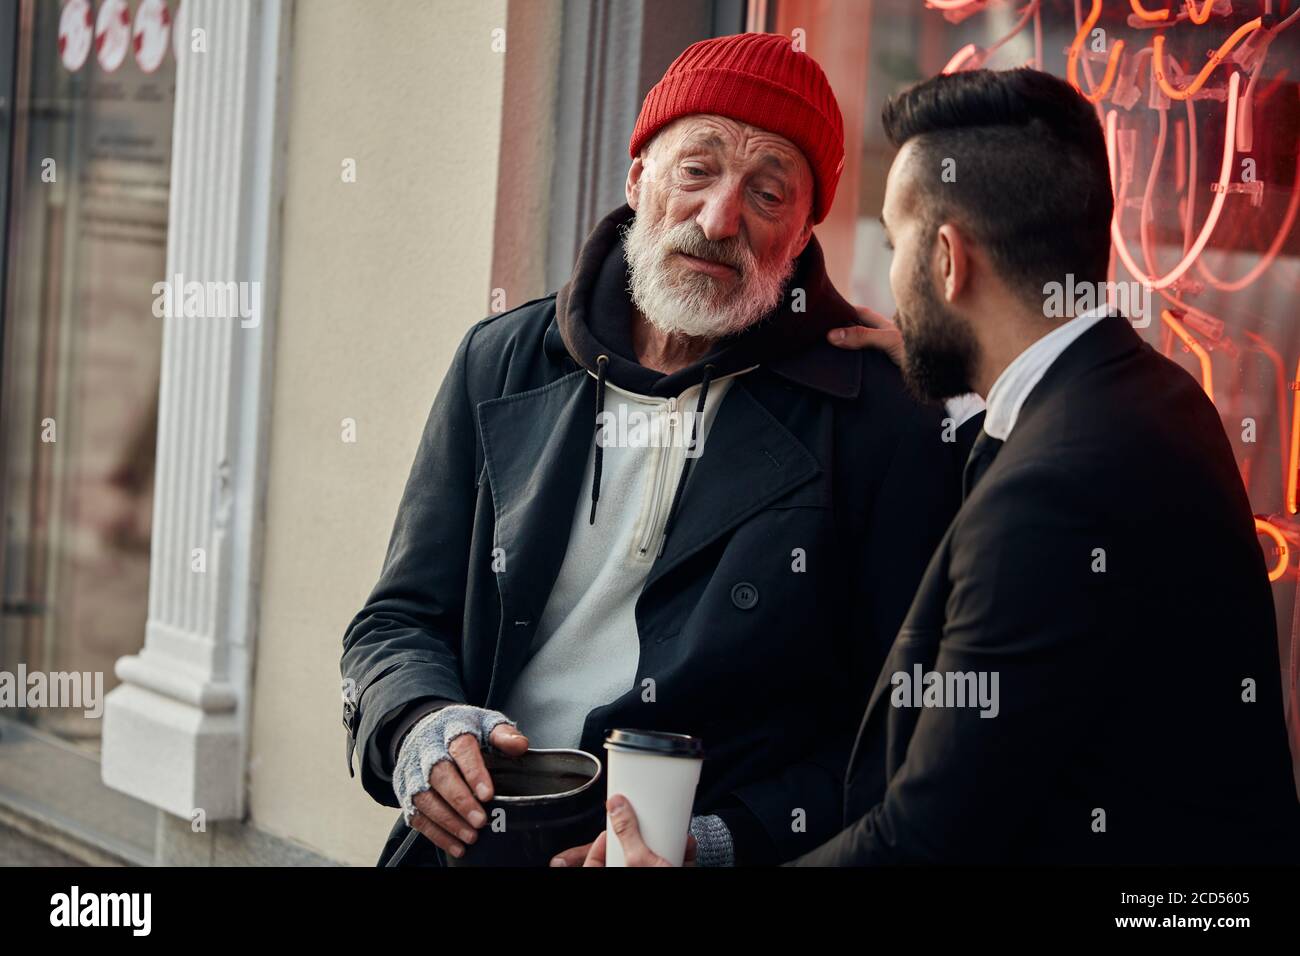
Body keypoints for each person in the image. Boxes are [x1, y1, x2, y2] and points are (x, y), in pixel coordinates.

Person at [578, 67, 1300, 866]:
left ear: (948, 262)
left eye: (895, 245)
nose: (884, 282)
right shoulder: (1145, 396)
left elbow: (925, 840)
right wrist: (963, 378)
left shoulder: (1057, 489)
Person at [340, 32, 977, 868]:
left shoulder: (878, 417)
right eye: (697, 170)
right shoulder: (499, 361)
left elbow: (892, 740)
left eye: (769, 192)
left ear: (803, 233)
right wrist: (417, 722)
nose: (721, 220)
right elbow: (395, 622)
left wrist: (712, 846)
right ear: (638, 177)